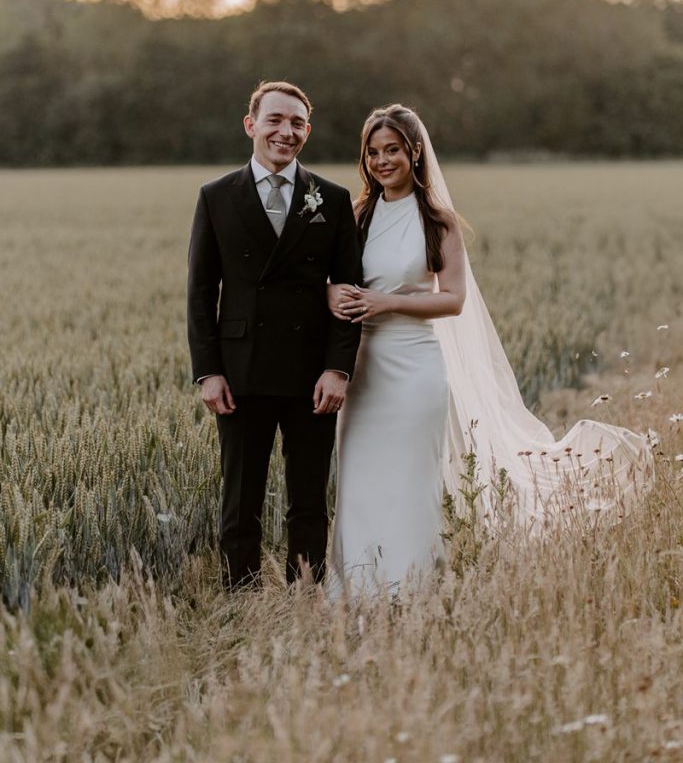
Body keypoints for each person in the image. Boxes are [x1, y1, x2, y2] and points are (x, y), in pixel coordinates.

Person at [328, 105, 654, 596]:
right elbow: (334, 282)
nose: (381, 160)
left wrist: (385, 302)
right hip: (365, 366)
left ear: (414, 152)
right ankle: (355, 586)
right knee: (360, 473)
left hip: (415, 366)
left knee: (411, 476)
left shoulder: (438, 221)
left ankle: (410, 586)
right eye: (372, 152)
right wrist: (333, 293)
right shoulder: (356, 217)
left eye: (392, 149)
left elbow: (453, 298)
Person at [187, 80, 362, 591]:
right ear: (251, 125)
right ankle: (240, 597)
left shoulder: (331, 198)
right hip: (241, 370)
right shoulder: (216, 197)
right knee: (240, 495)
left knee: (308, 497)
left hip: (312, 371)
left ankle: (305, 592)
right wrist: (208, 371)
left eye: (297, 124)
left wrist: (338, 367)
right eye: (275, 121)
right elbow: (200, 292)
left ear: (308, 131)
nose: (286, 133)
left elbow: (348, 292)